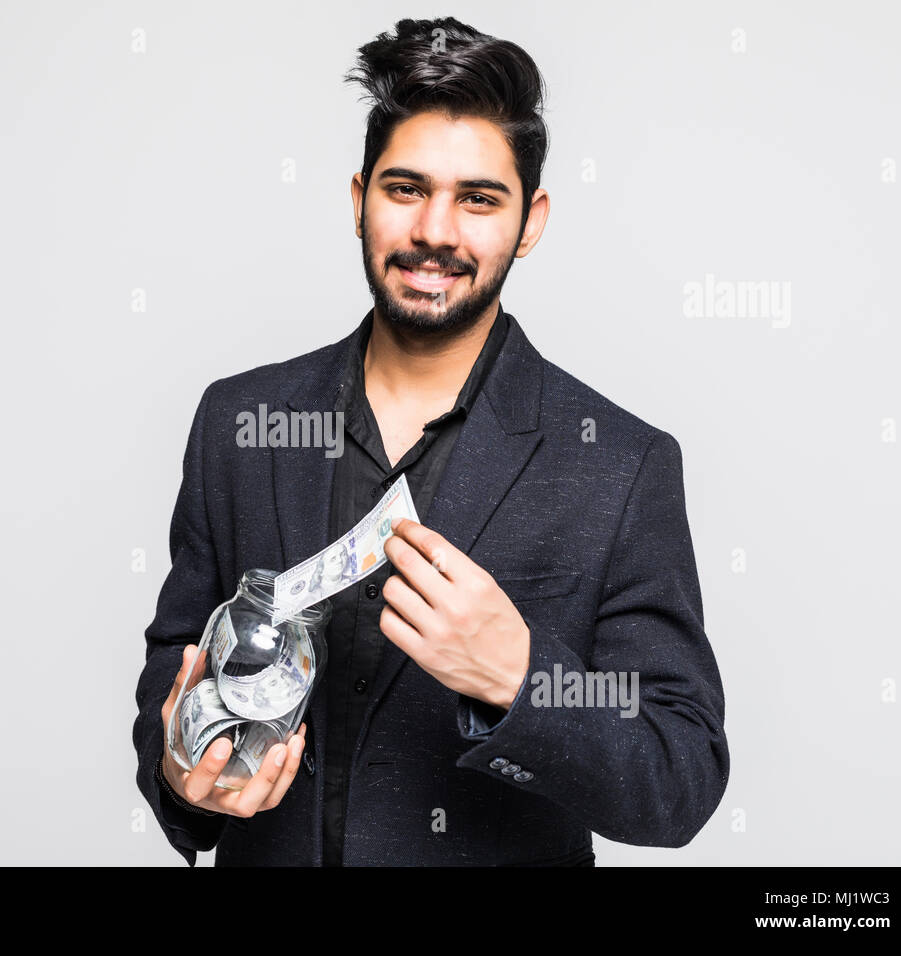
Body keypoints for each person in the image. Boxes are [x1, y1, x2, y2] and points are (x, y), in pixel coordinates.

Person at [132, 16, 729, 866]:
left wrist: (520, 677)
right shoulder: (239, 423)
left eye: (479, 199)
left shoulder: (620, 465)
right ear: (358, 199)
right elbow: (176, 661)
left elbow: (680, 776)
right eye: (405, 189)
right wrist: (184, 771)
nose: (436, 232)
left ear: (531, 221)